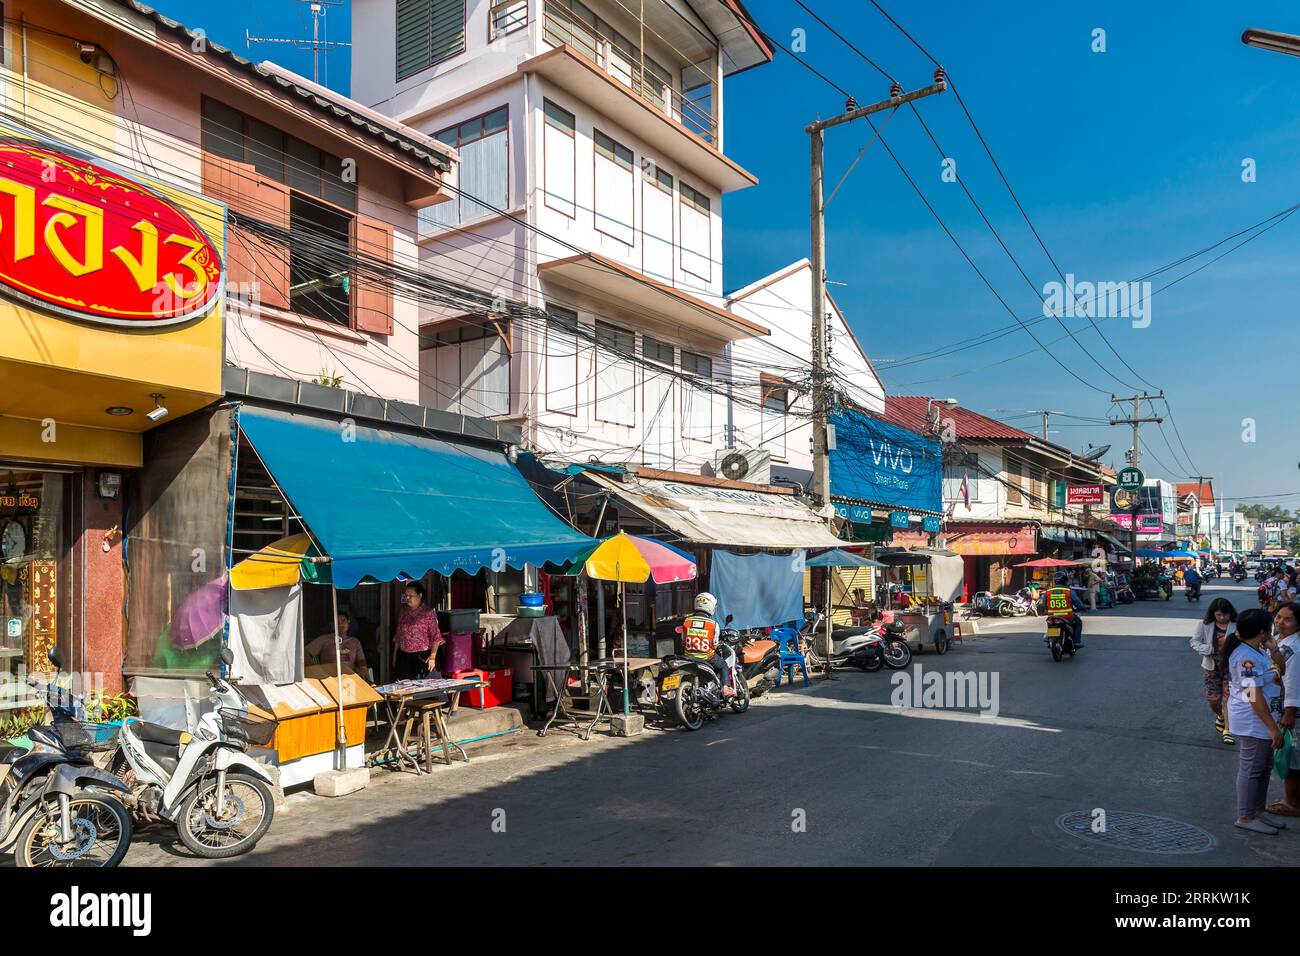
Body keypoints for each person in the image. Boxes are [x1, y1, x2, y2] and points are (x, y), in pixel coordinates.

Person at [1223, 608, 1289, 834]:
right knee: (1252, 768)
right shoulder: (1246, 658)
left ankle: (1258, 810)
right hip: (1254, 719)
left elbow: (1280, 670)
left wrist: (1274, 647)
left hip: (1265, 716)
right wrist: (1273, 729)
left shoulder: (1258, 650)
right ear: (1262, 631)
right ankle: (1245, 815)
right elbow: (1253, 695)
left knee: (1263, 767)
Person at [1267, 603, 1300, 817]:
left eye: (1287, 619)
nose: (1280, 622)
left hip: (1293, 711)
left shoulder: (1293, 649)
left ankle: (1293, 803)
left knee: (1292, 756)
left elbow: (1293, 681)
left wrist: (1289, 712)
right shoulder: (1280, 641)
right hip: (1282, 705)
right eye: (1278, 617)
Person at [1190, 598, 1237, 745]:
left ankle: (1228, 731)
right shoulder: (1205, 625)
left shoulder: (1237, 626)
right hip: (1212, 668)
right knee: (1214, 700)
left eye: (1225, 614)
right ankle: (1220, 715)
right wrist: (1209, 649)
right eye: (1219, 615)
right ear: (1213, 614)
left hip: (1231, 669)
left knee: (1228, 699)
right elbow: (1194, 642)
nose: (1222, 618)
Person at [681, 592, 734, 699]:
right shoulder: (713, 624)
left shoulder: (686, 621)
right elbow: (714, 644)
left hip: (688, 657)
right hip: (706, 657)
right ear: (711, 606)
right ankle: (725, 688)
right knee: (723, 665)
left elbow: (683, 639)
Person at [392, 581, 444, 681]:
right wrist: (394, 656)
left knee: (427, 688)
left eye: (411, 595)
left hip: (422, 656)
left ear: (420, 595)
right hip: (404, 657)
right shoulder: (403, 612)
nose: (407, 598)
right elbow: (398, 635)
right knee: (404, 687)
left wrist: (432, 657)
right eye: (406, 595)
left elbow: (436, 636)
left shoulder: (428, 613)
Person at [304, 609, 368, 676]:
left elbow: (361, 659)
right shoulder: (324, 639)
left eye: (343, 621)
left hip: (350, 679)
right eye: (336, 622)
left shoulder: (355, 642)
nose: (340, 624)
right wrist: (315, 669)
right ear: (332, 625)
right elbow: (305, 652)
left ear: (348, 623)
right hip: (329, 678)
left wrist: (363, 667)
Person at [1046, 574, 1084, 648]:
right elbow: (1078, 604)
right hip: (1067, 617)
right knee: (1079, 622)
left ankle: (1049, 638)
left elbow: (1044, 605)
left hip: (1052, 617)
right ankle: (1076, 641)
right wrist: (1082, 607)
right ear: (1065, 582)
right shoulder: (1069, 591)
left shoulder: (1048, 592)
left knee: (1050, 624)